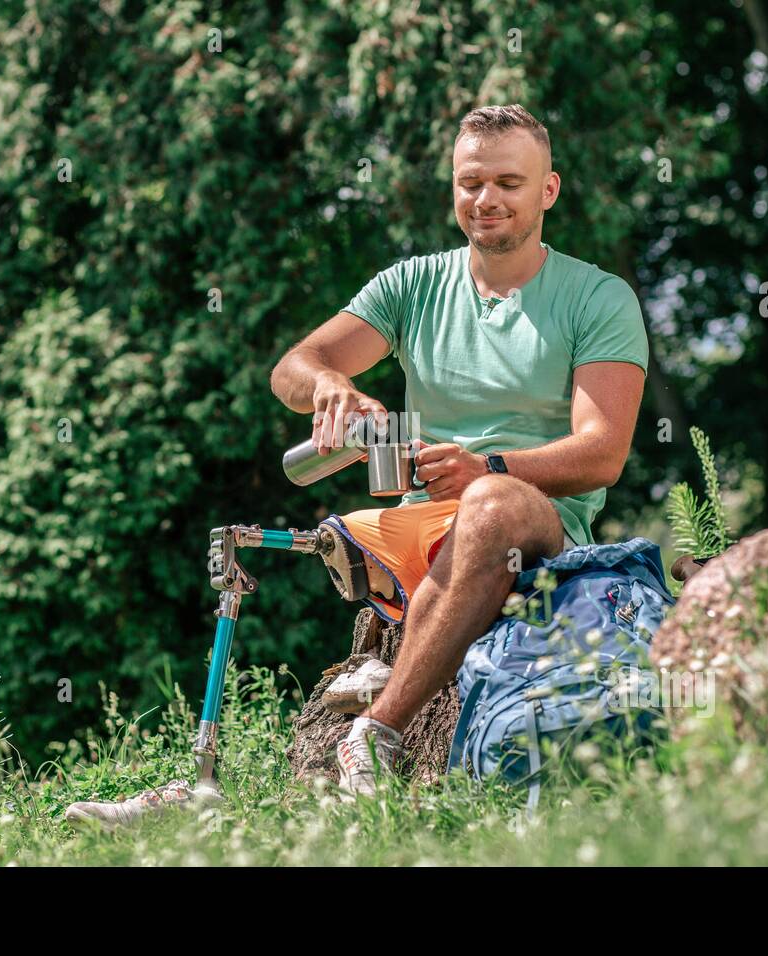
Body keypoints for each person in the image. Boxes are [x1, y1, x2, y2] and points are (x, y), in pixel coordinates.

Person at [64, 103, 647, 825]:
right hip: (421, 524)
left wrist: (488, 465)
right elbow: (294, 367)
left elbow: (604, 451)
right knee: (255, 546)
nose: (486, 200)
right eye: (470, 183)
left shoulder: (597, 296)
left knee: (490, 500)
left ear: (548, 191)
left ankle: (379, 731)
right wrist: (332, 388)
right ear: (452, 188)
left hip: (536, 524)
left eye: (508, 182)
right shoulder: (413, 284)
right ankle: (201, 786)